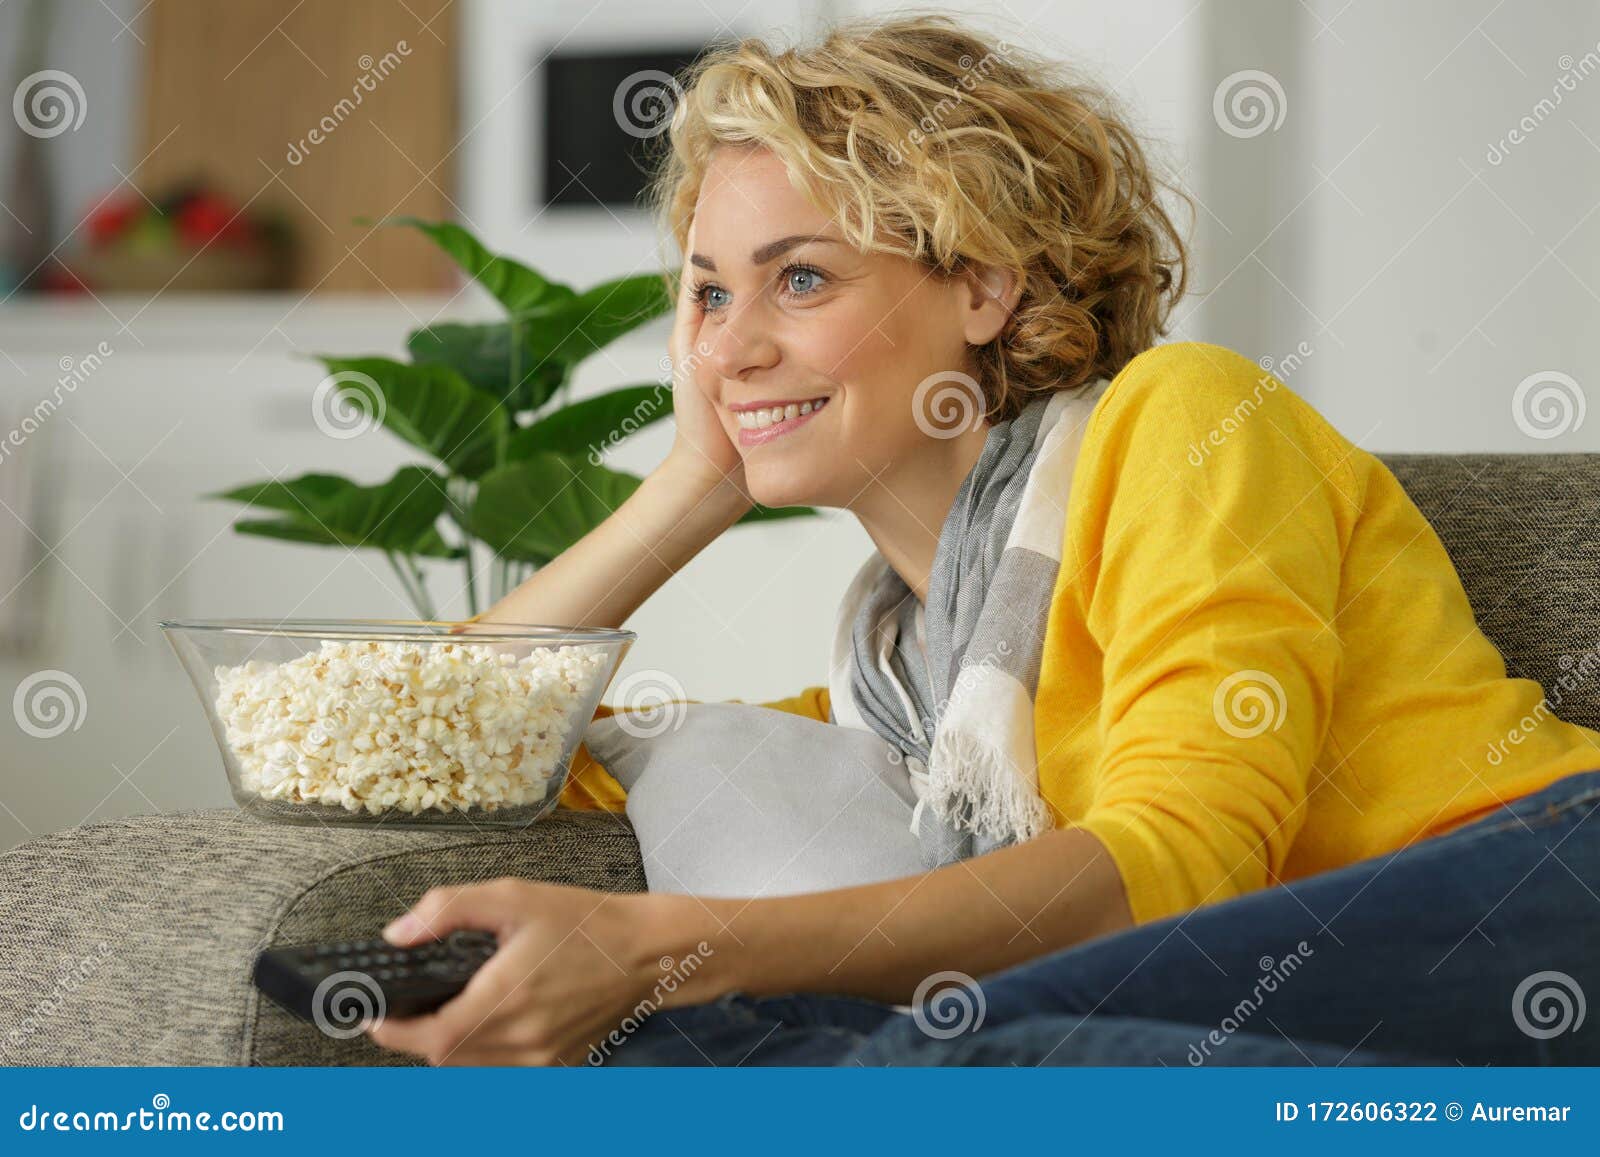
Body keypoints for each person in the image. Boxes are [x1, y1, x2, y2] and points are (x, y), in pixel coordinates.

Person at [365, 15, 1600, 1067]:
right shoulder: (903, 691)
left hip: (1538, 882)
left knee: (919, 1046)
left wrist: (670, 944)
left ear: (981, 285)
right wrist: (691, 485)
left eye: (801, 279)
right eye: (707, 293)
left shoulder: (1183, 417)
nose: (730, 347)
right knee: (682, 1050)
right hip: (1281, 1004)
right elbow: (418, 747)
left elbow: (1183, 868)